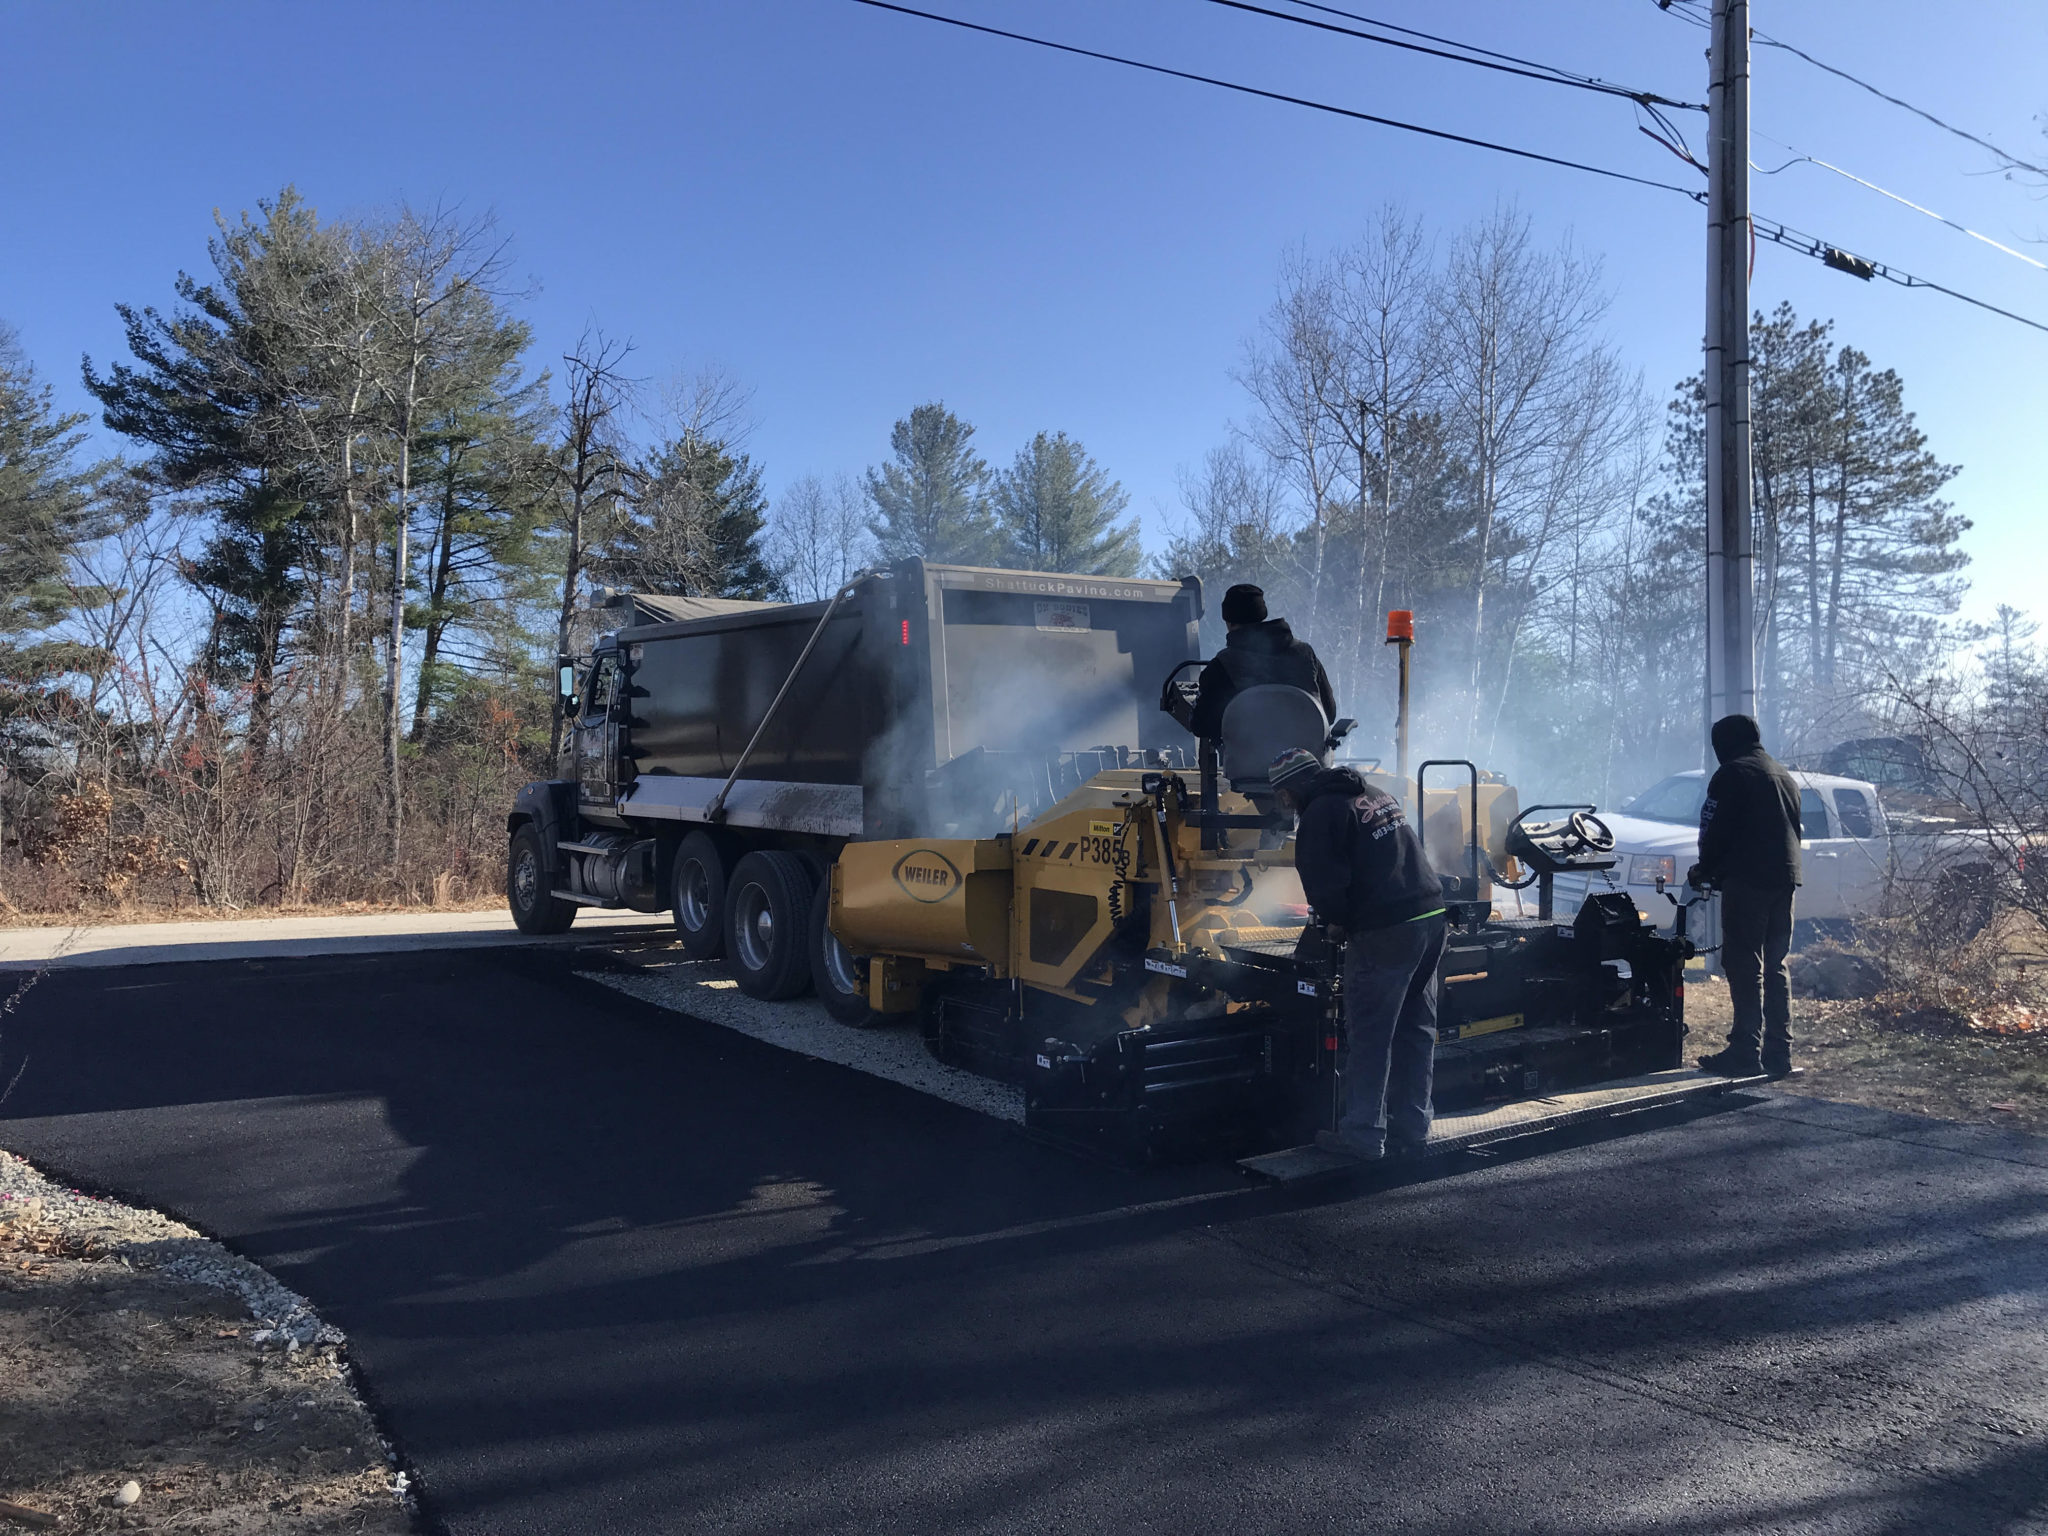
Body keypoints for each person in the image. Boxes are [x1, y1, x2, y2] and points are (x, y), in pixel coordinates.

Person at [1269, 746, 1447, 1162]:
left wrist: (1336, 922)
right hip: (1432, 916)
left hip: (1387, 931)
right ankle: (1414, 1128)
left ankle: (1363, 1137)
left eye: (1280, 794)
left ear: (1289, 790)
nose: (1281, 803)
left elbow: (1326, 890)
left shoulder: (1319, 814)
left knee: (1371, 1036)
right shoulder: (1371, 791)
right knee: (1416, 1029)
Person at [1687, 714, 1803, 1079]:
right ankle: (1778, 1053)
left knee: (1743, 963)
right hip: (1784, 878)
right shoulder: (1783, 775)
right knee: (1776, 965)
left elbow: (1714, 829)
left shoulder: (1732, 774)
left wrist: (1704, 870)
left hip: (1748, 879)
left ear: (1723, 743)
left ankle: (1744, 1050)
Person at [1188, 584, 1338, 741]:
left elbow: (1202, 725)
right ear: (1262, 615)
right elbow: (1329, 713)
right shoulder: (1305, 653)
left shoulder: (1222, 666)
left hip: (1247, 763)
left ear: (1229, 622)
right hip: (1309, 760)